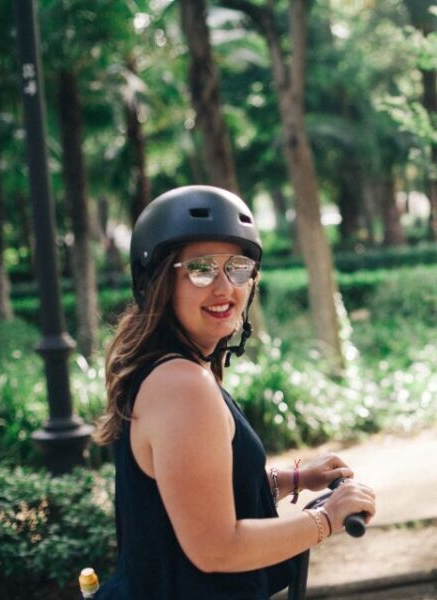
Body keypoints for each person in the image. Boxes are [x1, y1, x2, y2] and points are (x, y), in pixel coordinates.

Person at [94, 185, 376, 599]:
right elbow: (216, 547)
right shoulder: (183, 386)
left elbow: (194, 492)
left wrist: (294, 478)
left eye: (239, 267)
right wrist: (328, 519)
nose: (225, 288)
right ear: (158, 281)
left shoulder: (168, 370)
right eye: (202, 269)